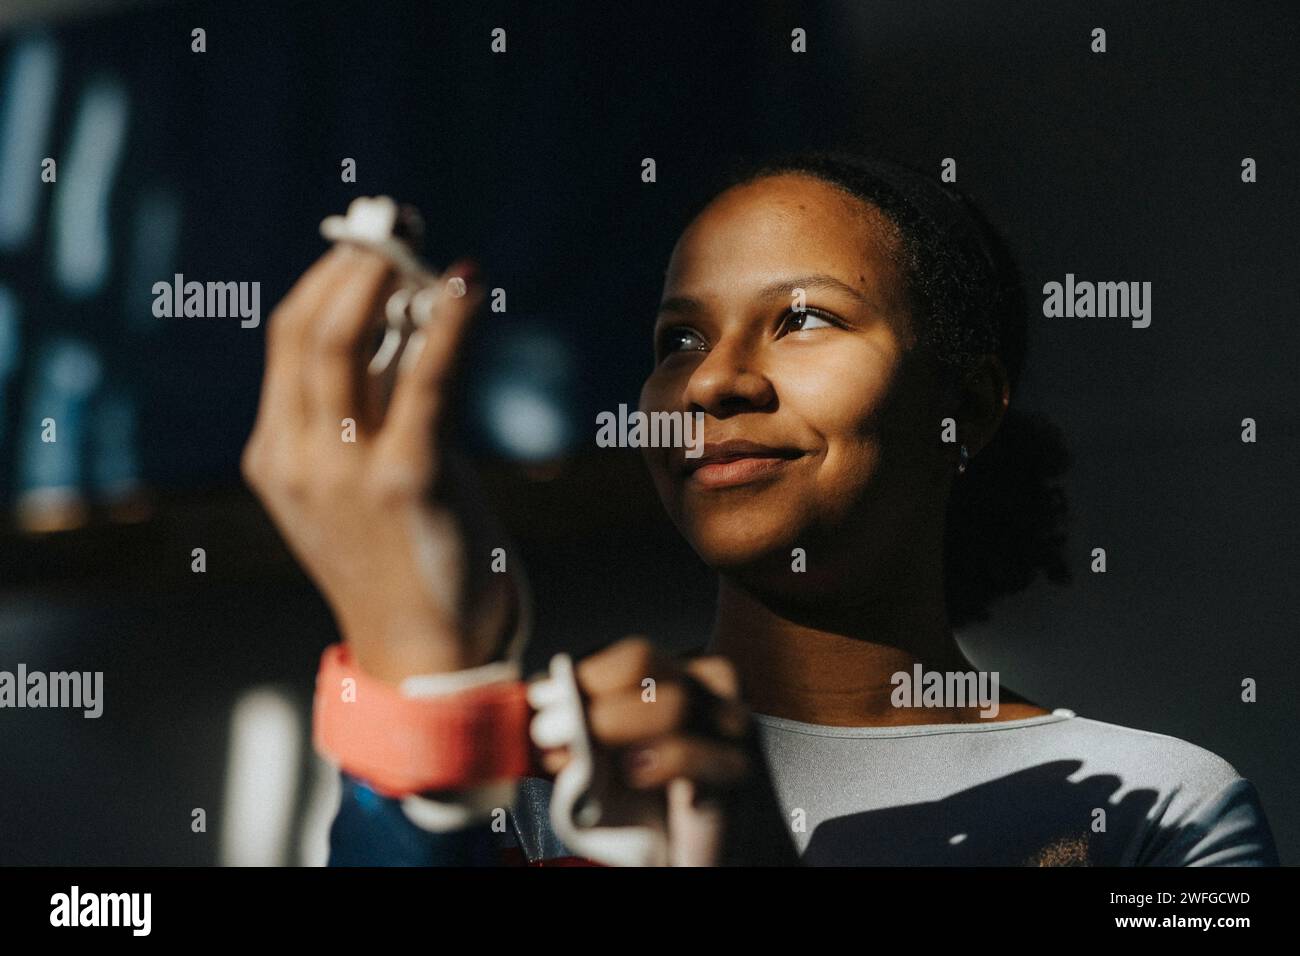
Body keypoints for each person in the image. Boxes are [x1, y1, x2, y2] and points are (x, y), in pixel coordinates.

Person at [242, 150, 1279, 866]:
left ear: (959, 405)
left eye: (803, 318)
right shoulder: (523, 783)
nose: (711, 383)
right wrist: (423, 685)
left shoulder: (1155, 805)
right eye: (677, 340)